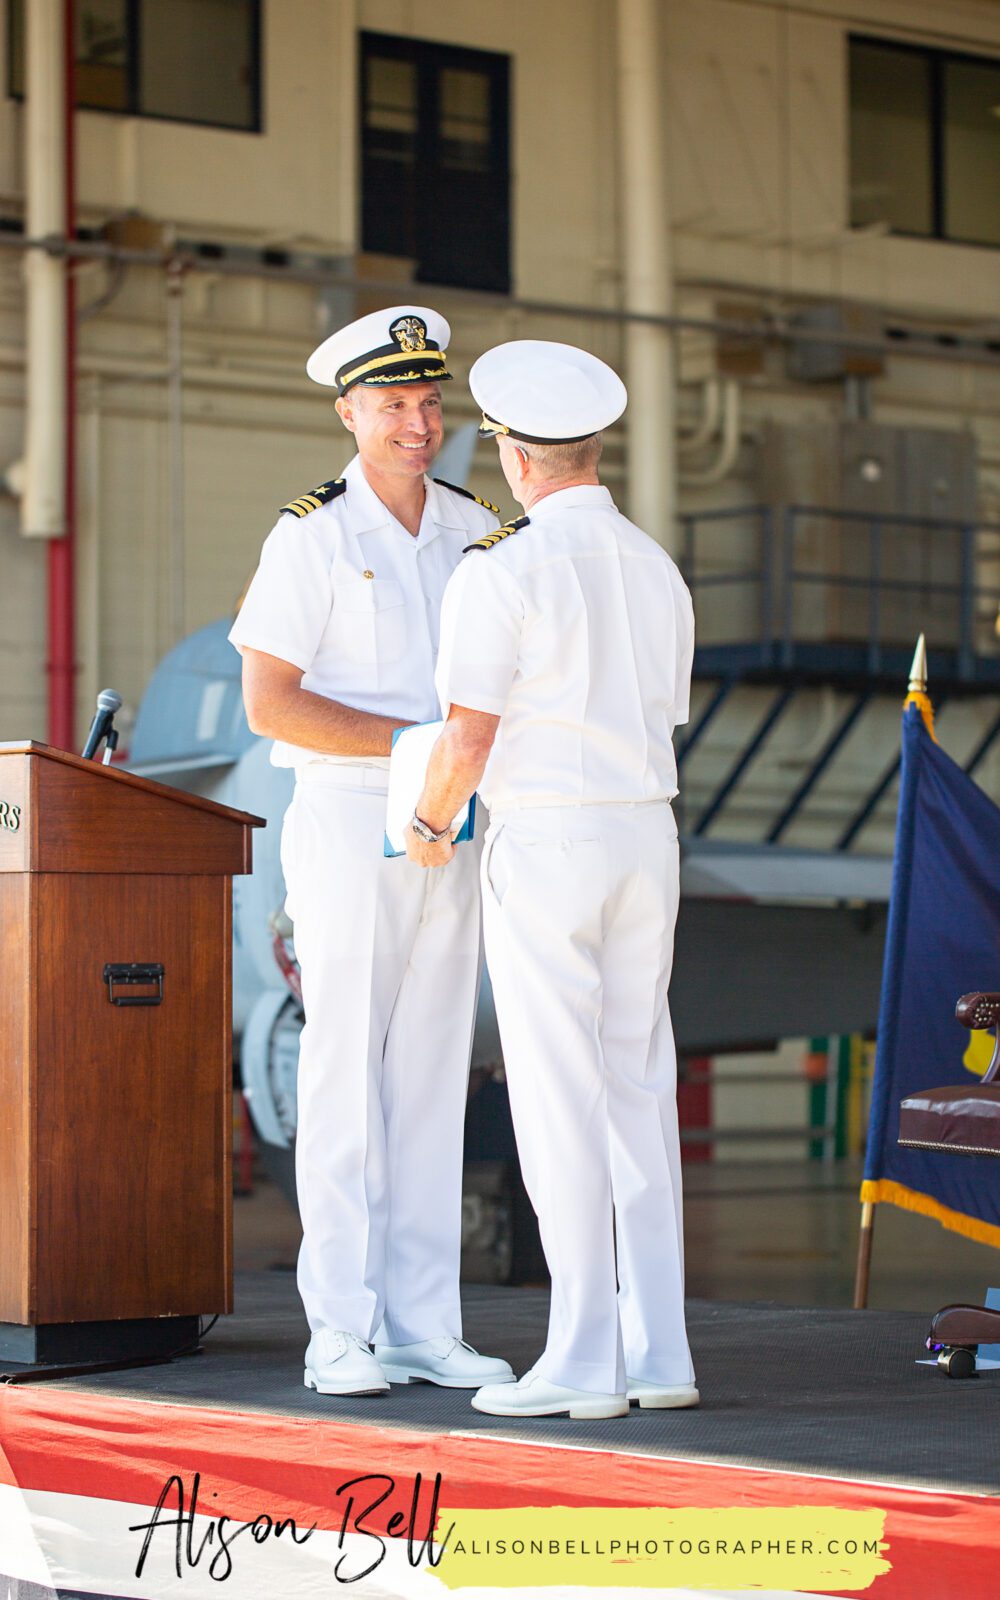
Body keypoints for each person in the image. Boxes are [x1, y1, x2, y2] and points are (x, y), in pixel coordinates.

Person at [405, 339, 700, 1420]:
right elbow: (658, 712)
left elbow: (467, 736)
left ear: (514, 454)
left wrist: (430, 824)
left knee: (556, 1093)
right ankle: (658, 1349)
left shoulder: (502, 567)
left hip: (550, 840)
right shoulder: (653, 564)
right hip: (644, 837)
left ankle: (582, 1356)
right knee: (635, 1083)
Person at [229, 305, 514, 1399]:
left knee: (434, 1069)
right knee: (347, 1068)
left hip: (454, 819)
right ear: (349, 412)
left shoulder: (475, 528)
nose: (416, 421)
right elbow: (269, 703)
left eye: (429, 400)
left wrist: (451, 764)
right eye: (391, 403)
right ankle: (337, 1328)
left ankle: (423, 1322)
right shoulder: (312, 534)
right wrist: (412, 746)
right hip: (353, 814)